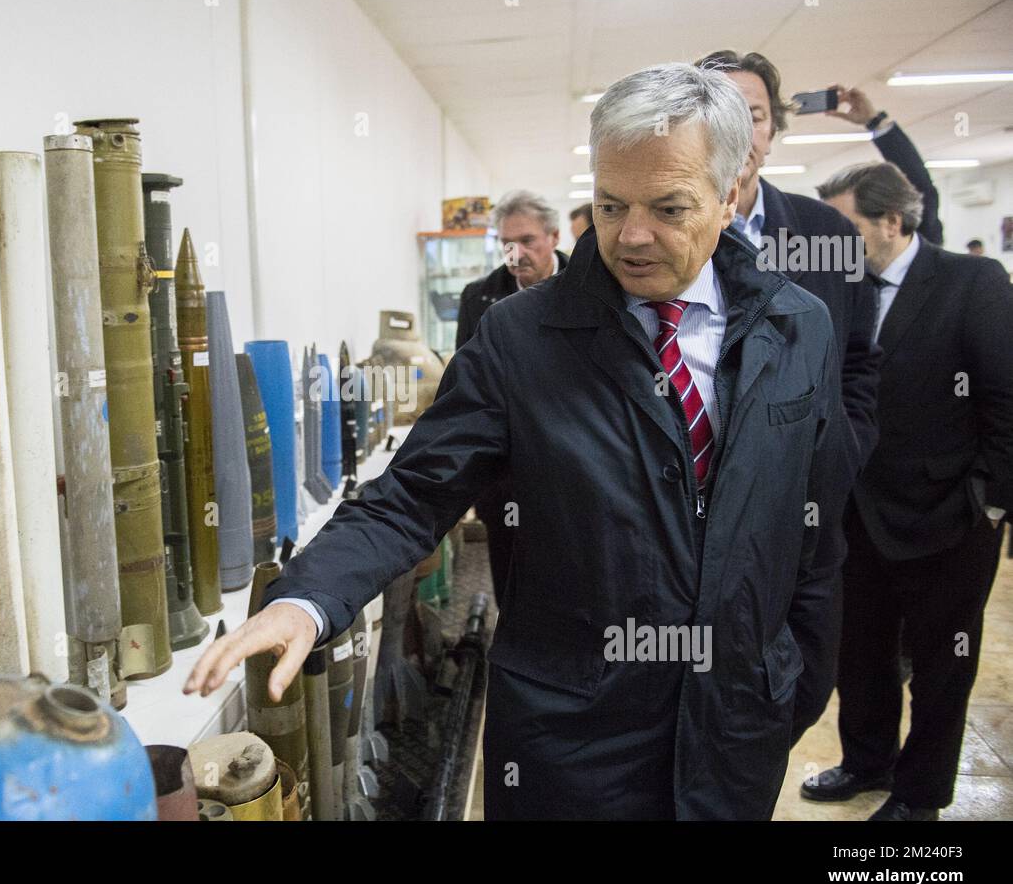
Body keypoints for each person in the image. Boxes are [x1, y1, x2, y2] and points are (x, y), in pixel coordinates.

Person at [185, 63, 842, 820]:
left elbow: (817, 532)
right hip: (571, 746)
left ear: (731, 196)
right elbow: (408, 498)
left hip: (733, 738)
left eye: (667, 207)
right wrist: (306, 597)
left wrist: (791, 681)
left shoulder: (798, 331)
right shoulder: (520, 340)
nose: (629, 236)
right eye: (609, 204)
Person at [805, 162, 1013, 821]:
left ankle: (920, 795)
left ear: (893, 222)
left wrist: (992, 502)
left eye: (847, 228)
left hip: (947, 517)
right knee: (858, 652)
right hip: (855, 515)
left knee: (941, 665)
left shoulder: (970, 281)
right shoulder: (837, 289)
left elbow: (1007, 399)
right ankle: (867, 762)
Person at [696, 50, 881, 745]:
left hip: (806, 515)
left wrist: (843, 450)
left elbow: (862, 361)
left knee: (804, 686)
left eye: (757, 115)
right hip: (700, 518)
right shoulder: (668, 232)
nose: (743, 130)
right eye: (724, 113)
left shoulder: (826, 235)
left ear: (773, 132)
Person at [453, 191, 569, 606]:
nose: (516, 253)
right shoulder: (478, 299)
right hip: (505, 473)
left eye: (528, 240)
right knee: (510, 579)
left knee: (573, 584)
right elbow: (467, 390)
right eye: (507, 243)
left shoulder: (595, 288)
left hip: (575, 468)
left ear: (554, 236)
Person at [825, 85, 944, 245]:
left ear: (892, 223)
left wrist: (875, 121)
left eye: (855, 227)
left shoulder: (922, 252)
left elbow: (920, 190)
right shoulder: (837, 264)